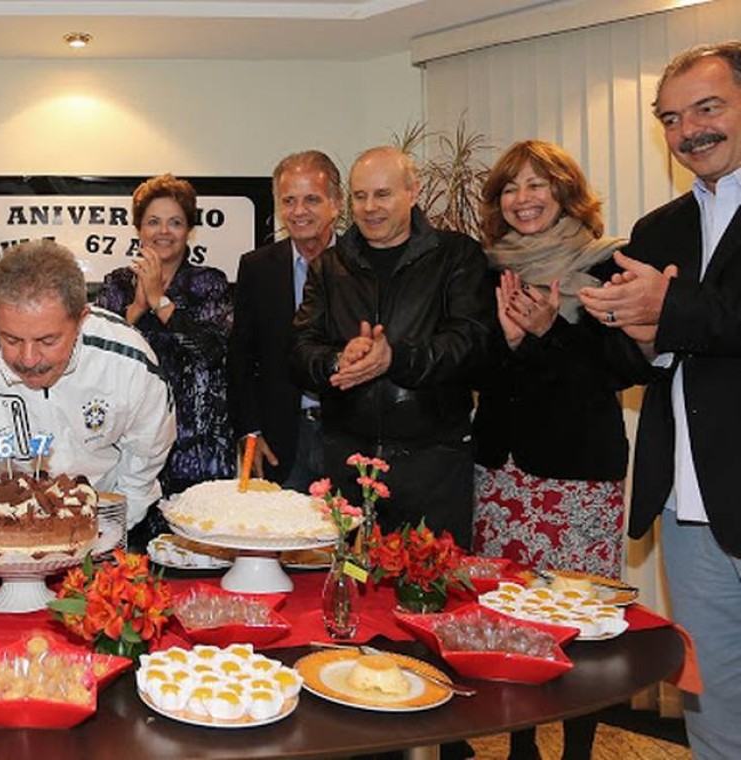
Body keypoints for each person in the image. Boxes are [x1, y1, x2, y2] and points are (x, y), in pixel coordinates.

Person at [578, 41, 741, 760]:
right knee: (711, 699)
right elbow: (626, 359)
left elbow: (709, 315)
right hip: (686, 509)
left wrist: (667, 307)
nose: (687, 132)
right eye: (670, 119)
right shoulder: (654, 230)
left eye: (707, 108)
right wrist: (631, 331)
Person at [472, 141, 650, 760]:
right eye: (511, 189)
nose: (523, 200)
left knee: (580, 622)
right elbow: (482, 373)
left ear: (565, 193)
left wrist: (551, 332)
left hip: (577, 480)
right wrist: (515, 343)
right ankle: (521, 746)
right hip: (503, 480)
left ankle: (578, 747)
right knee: (514, 621)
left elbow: (625, 369)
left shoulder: (607, 266)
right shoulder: (489, 270)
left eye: (537, 185)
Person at [290, 146, 492, 547]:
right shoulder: (329, 266)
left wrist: (395, 358)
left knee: (429, 596)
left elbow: (470, 346)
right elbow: (299, 350)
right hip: (348, 468)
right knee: (351, 589)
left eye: (382, 194)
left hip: (432, 467)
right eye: (360, 196)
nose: (369, 207)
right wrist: (336, 359)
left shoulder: (456, 256)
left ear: (412, 192)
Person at [0, 239, 176, 536]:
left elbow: (143, 461)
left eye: (47, 341)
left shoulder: (130, 364)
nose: (28, 358)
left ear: (81, 321)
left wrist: (103, 534)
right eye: (10, 340)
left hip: (99, 531)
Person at [95, 174, 234, 505]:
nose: (164, 231)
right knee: (131, 549)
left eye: (175, 222)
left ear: (189, 230)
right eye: (153, 222)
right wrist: (137, 308)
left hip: (197, 444)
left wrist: (160, 301)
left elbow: (211, 351)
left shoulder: (209, 283)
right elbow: (97, 354)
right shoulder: (117, 284)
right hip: (131, 443)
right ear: (139, 228)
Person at [228, 151, 342, 489]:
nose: (298, 211)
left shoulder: (361, 263)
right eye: (288, 200)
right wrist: (250, 433)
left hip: (348, 439)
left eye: (311, 199)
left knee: (348, 539)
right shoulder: (257, 267)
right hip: (279, 441)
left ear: (335, 203)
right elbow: (240, 358)